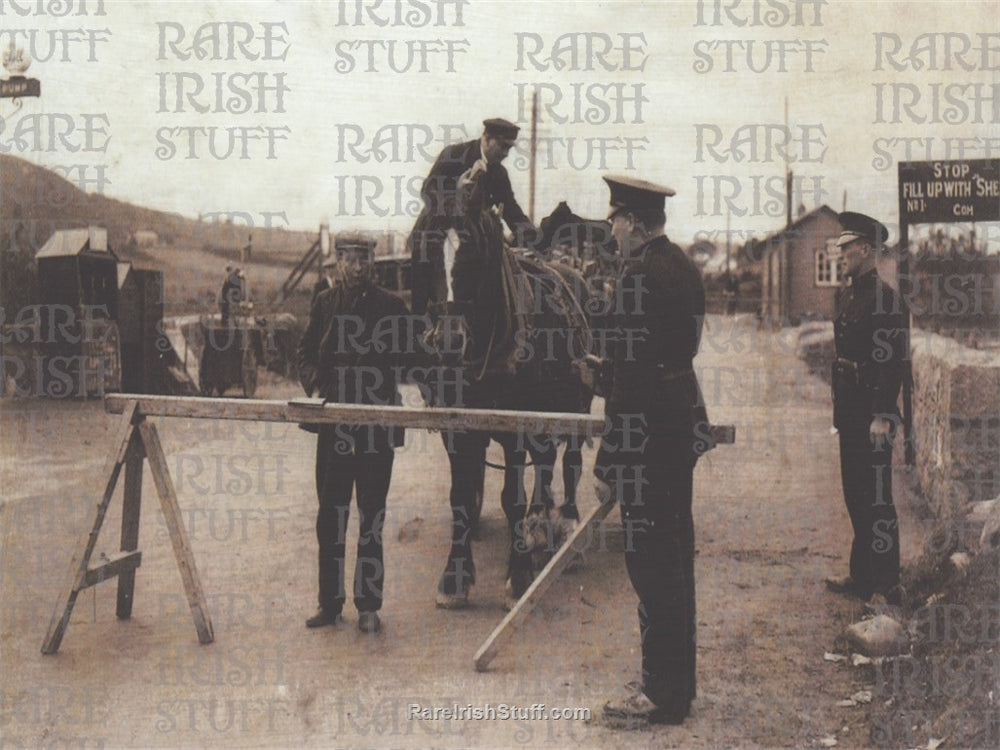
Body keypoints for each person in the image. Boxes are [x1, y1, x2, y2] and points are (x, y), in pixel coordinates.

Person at [594, 175, 711, 727]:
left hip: (645, 438)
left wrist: (608, 461)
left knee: (649, 563)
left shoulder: (637, 275)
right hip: (676, 426)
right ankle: (677, 688)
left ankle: (659, 695)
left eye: (615, 220)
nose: (611, 229)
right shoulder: (683, 266)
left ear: (636, 224)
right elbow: (669, 354)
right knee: (675, 559)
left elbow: (633, 378)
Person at [296, 231, 410, 634]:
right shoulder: (325, 305)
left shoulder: (392, 307)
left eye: (363, 259)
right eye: (349, 259)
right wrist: (317, 388)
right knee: (330, 516)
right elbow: (305, 355)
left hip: (376, 431)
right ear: (338, 262)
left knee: (372, 516)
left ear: (372, 263)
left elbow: (410, 358)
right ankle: (330, 603)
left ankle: (368, 605)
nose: (357, 266)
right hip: (335, 430)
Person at [824, 211, 906, 605]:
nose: (840, 254)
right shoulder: (847, 293)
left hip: (872, 410)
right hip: (850, 407)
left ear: (867, 249)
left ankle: (886, 582)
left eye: (846, 247)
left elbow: (893, 362)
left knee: (876, 496)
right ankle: (861, 575)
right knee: (854, 493)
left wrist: (881, 414)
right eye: (839, 247)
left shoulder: (885, 298)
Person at [407, 117, 537, 315]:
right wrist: (455, 194)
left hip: (470, 242)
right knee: (423, 273)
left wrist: (534, 236)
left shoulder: (499, 174)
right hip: (438, 232)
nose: (505, 154)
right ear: (486, 138)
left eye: (509, 149)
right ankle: (417, 328)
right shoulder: (453, 154)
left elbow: (511, 209)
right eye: (502, 147)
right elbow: (428, 190)